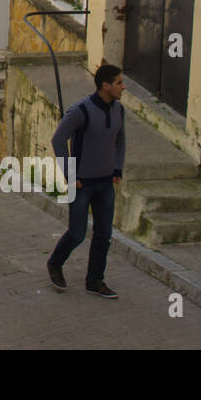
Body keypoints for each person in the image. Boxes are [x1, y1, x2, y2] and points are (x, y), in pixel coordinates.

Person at [47, 64, 127, 299]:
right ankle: (55, 263)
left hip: (105, 183)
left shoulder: (119, 111)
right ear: (105, 85)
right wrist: (70, 176)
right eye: (119, 83)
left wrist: (117, 167)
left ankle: (95, 280)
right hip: (81, 184)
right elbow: (58, 140)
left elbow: (121, 139)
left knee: (104, 234)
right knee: (77, 233)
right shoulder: (81, 110)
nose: (123, 87)